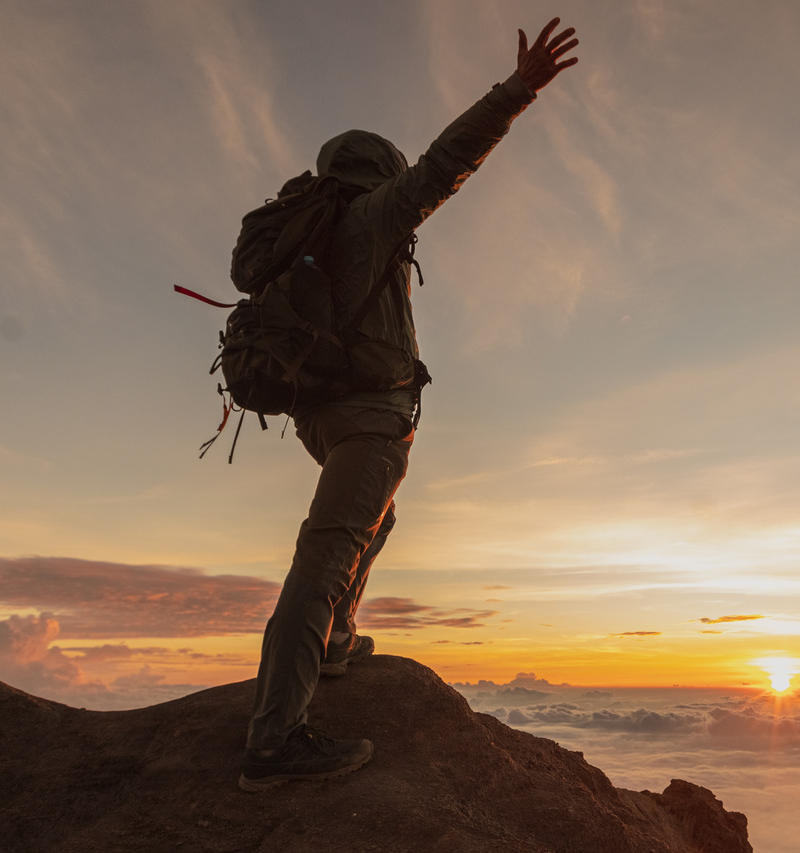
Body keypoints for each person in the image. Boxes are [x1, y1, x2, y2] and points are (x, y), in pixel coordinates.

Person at [239, 19, 579, 792]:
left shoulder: (297, 238)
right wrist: (516, 91)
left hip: (319, 418)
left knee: (373, 522)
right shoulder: (369, 217)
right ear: (376, 172)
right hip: (368, 416)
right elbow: (445, 165)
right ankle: (275, 741)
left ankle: (333, 642)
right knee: (324, 556)